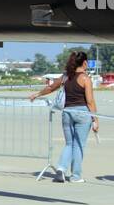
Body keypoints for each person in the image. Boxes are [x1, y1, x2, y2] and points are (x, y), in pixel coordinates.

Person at [29, 49, 98, 182]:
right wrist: (95, 119)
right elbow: (90, 101)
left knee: (69, 144)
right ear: (84, 63)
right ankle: (76, 176)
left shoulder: (65, 76)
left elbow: (50, 87)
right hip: (82, 113)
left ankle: (61, 168)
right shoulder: (85, 78)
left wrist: (36, 94)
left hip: (67, 113)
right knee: (78, 145)